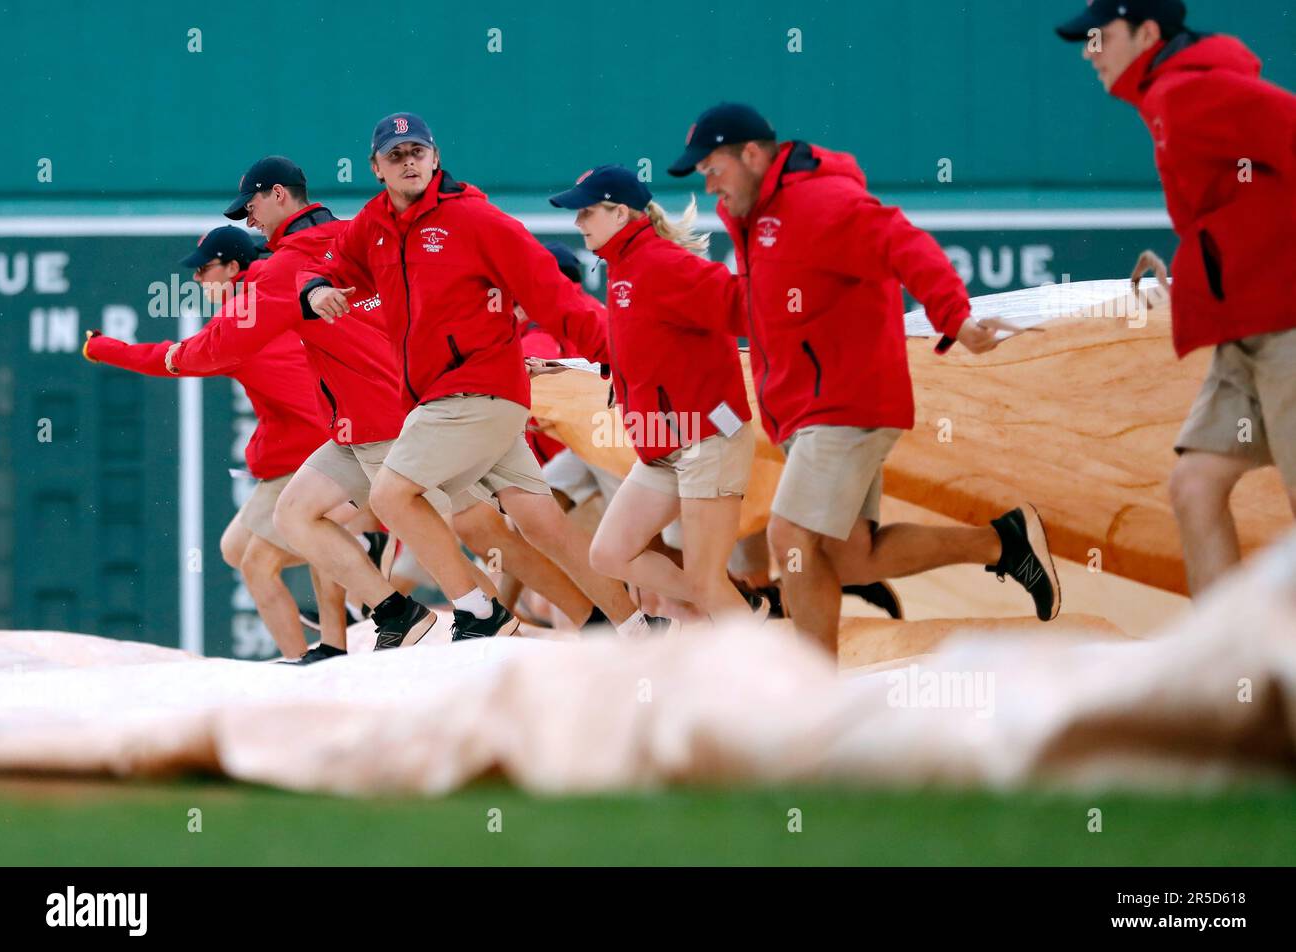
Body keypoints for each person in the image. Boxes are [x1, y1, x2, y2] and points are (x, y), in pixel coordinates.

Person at [167, 157, 602, 656]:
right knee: (479, 534)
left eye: (251, 207)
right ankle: (571, 623)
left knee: (470, 542)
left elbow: (224, 346)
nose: (249, 221)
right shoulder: (358, 237)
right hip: (415, 409)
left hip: (411, 417)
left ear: (279, 195)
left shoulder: (308, 259)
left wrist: (147, 353)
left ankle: (545, 634)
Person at [668, 103, 1061, 651]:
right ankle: (1003, 543)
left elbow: (904, 242)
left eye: (713, 168)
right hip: (809, 408)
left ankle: (813, 698)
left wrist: (957, 316)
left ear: (752, 155)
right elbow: (764, 305)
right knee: (851, 557)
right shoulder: (757, 216)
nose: (708, 185)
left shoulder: (818, 200)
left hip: (846, 402)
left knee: (791, 539)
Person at [299, 113, 661, 645]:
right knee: (542, 524)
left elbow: (553, 294)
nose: (408, 161)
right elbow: (335, 268)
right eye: (395, 155)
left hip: (475, 391)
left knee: (392, 495)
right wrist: (314, 288)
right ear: (376, 167)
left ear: (435, 157)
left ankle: (478, 612)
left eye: (417, 151)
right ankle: (634, 626)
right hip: (452, 399)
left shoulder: (476, 220)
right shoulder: (372, 225)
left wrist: (619, 354)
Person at [1056, 0, 1296, 595]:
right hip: (1248, 333)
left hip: (1285, 324)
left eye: (1099, 36)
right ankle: (1226, 669)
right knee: (1194, 487)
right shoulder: (1169, 97)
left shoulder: (1187, 92)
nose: (1090, 52)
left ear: (1148, 33)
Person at [82, 226, 345, 660]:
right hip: (307, 453)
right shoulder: (270, 292)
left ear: (233, 268)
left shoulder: (246, 321)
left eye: (204, 269)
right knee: (236, 549)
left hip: (320, 456)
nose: (197, 279)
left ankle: (314, 658)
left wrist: (106, 349)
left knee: (264, 561)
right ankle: (345, 581)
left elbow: (173, 360)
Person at [549, 165, 762, 620]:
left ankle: (770, 677)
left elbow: (745, 309)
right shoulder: (625, 268)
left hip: (708, 439)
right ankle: (735, 602)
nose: (578, 221)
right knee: (609, 554)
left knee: (706, 583)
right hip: (666, 444)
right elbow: (648, 346)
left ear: (620, 213)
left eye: (586, 211)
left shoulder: (662, 264)